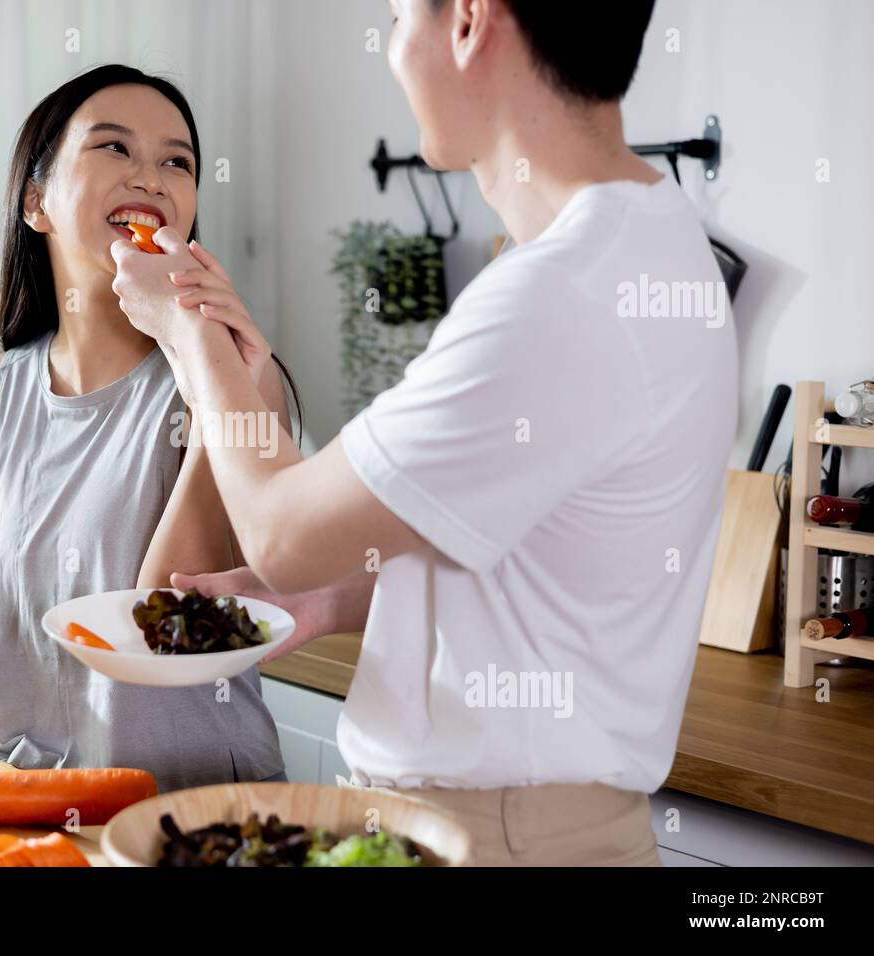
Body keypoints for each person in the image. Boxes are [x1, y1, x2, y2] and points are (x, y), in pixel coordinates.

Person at [111, 0, 737, 864]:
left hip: (502, 832)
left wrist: (189, 339)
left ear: (471, 20)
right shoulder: (647, 243)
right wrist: (326, 599)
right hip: (520, 819)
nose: (394, 50)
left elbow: (285, 532)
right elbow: (517, 553)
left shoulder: (558, 294)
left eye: (401, 15)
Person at [0, 65, 301, 793]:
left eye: (178, 161)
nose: (152, 178)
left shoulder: (235, 376)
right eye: (115, 149)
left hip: (195, 812)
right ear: (35, 201)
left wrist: (202, 357)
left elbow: (164, 624)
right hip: (42, 801)